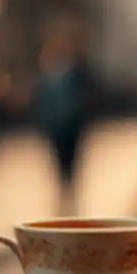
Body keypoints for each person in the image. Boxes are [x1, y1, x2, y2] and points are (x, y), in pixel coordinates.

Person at [34, 34, 93, 212]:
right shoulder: (49, 74)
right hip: (56, 125)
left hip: (72, 124)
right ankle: (63, 184)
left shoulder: (75, 73)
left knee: (72, 157)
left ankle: (69, 185)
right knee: (59, 157)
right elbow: (42, 100)